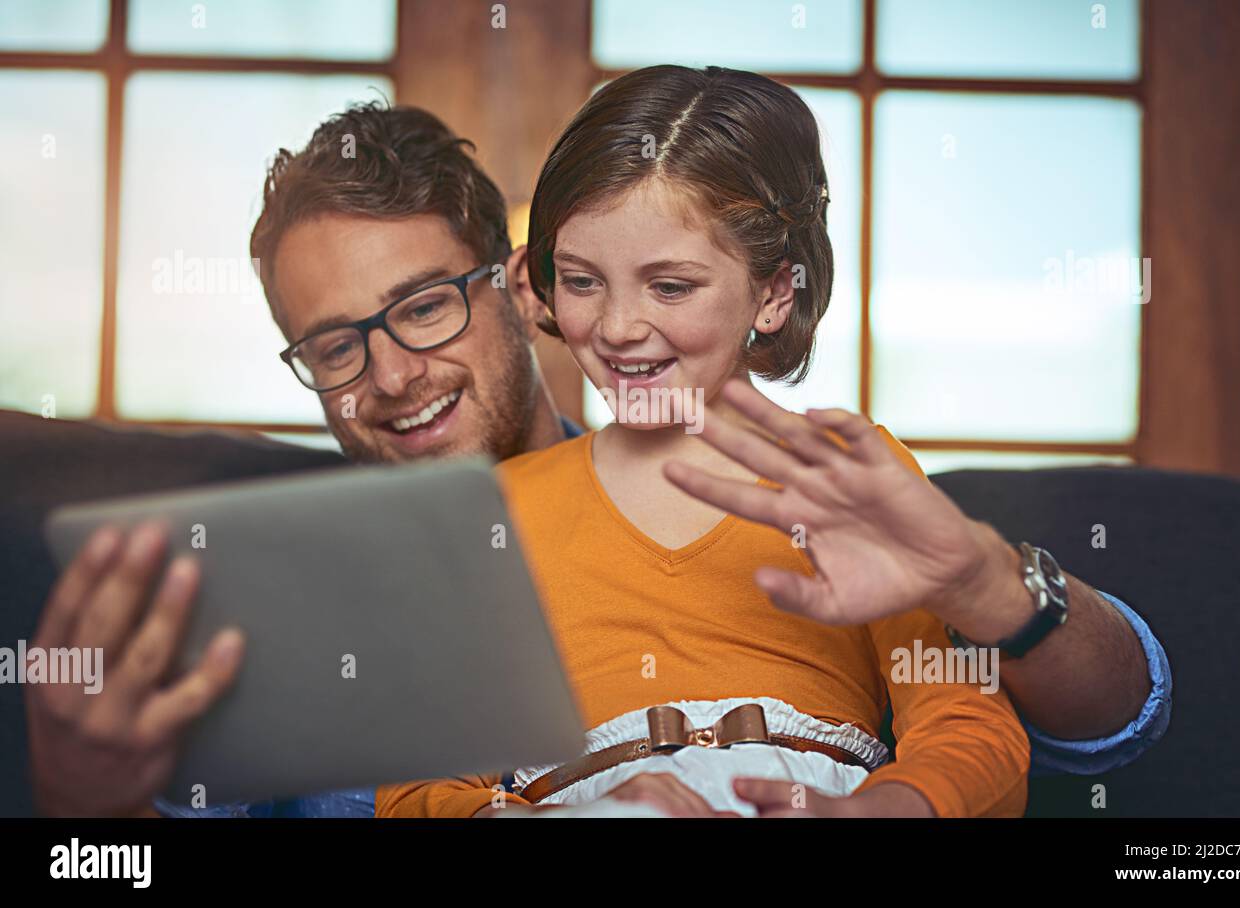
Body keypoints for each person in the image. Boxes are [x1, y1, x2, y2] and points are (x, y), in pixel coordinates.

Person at [27, 99, 1169, 818]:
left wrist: (979, 610)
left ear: (511, 288)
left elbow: (1072, 722)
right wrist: (82, 794)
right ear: (558, 288)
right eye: (333, 342)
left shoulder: (841, 483)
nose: (389, 374)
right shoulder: (281, 589)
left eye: (422, 307)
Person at [374, 66, 1141, 818]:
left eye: (670, 286)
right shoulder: (496, 513)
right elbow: (418, 788)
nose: (615, 327)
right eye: (581, 281)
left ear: (774, 293)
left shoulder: (848, 472)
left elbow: (966, 722)